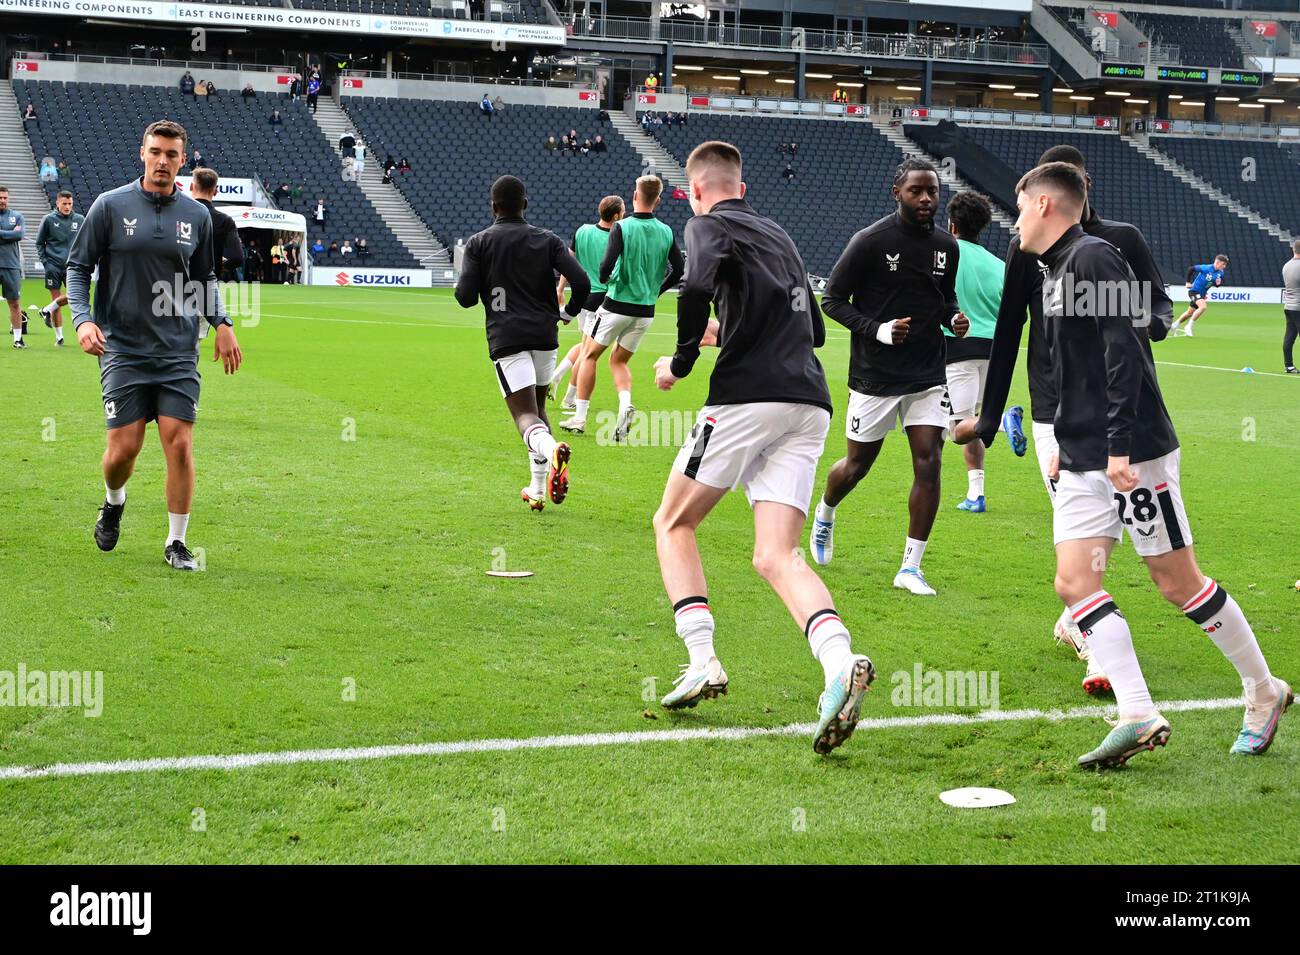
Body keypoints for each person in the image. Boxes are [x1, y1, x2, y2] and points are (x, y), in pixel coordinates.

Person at [967, 161, 1290, 767]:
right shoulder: (1053, 267)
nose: (1013, 222)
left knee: (1177, 582)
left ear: (1042, 206)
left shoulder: (1092, 258)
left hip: (1132, 453)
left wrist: (1118, 447)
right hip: (1082, 451)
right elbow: (1067, 364)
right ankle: (1139, 713)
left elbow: (1126, 353)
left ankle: (1264, 690)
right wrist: (1064, 433)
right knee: (1075, 581)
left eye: (1018, 207)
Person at [649, 140, 874, 753]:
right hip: (807, 402)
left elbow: (694, 287)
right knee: (776, 554)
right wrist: (727, 333)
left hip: (747, 398)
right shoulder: (780, 237)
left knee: (672, 521)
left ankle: (703, 659)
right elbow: (816, 328)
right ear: (743, 188)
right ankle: (838, 666)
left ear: (693, 191)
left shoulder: (702, 224)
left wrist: (683, 358)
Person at [963, 142, 1173, 697]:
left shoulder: (1115, 243)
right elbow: (1008, 329)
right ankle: (1095, 646)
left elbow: (1157, 305)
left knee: (1137, 547)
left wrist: (1148, 324)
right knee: (1077, 534)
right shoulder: (1027, 250)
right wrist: (987, 418)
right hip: (1054, 407)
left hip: (1114, 406)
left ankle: (1085, 612)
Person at [65, 119, 242, 571]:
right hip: (123, 348)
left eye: (172, 154)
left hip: (178, 350)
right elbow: (78, 268)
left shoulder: (197, 216)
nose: (163, 161)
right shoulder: (109, 206)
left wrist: (221, 322)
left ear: (184, 161)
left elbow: (204, 278)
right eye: (156, 152)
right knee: (123, 451)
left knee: (179, 443)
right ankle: (114, 500)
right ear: (142, 154)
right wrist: (83, 320)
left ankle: (176, 541)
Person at [810, 158, 968, 596]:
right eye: (916, 191)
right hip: (875, 376)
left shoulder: (946, 246)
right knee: (857, 466)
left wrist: (953, 316)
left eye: (932, 191)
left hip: (928, 373)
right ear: (896, 192)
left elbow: (944, 297)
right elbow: (833, 300)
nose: (926, 199)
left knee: (930, 462)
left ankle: (910, 567)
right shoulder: (869, 241)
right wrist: (877, 330)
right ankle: (825, 513)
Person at [453, 175, 590, 511]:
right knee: (540, 409)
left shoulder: (480, 242)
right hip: (545, 336)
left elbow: (466, 298)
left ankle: (552, 449)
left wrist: (482, 279)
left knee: (525, 417)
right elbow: (583, 282)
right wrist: (568, 314)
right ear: (525, 204)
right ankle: (538, 488)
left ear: (493, 207)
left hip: (507, 339)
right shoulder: (548, 239)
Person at [560, 175, 683, 440]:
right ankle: (625, 404)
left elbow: (606, 267)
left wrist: (605, 279)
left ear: (635, 196)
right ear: (658, 200)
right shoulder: (667, 231)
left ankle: (579, 417)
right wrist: (656, 291)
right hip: (645, 311)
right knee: (619, 360)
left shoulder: (622, 227)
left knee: (590, 355)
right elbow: (679, 270)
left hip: (616, 305)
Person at [943, 191, 1002, 514]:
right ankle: (975, 494)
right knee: (972, 422)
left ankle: (1004, 423)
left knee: (958, 430)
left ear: (951, 225)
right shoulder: (998, 265)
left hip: (957, 348)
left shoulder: (945, 255)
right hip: (993, 352)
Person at [550, 195, 624, 410]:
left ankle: (558, 378)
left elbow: (568, 261)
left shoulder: (582, 231)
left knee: (585, 346)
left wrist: (561, 288)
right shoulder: (618, 237)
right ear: (617, 214)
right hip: (605, 299)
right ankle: (569, 398)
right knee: (588, 353)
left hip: (583, 299)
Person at [28, 190, 85, 345]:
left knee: (74, 296)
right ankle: (59, 337)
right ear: (57, 203)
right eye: (64, 203)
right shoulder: (48, 219)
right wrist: (46, 263)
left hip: (73, 266)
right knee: (56, 301)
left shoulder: (80, 219)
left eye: (70, 204)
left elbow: (85, 241)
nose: (67, 206)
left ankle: (46, 309)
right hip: (53, 266)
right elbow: (39, 243)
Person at [188, 168, 243, 285]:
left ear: (191, 187)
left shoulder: (179, 214)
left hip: (178, 285)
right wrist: (218, 265)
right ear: (215, 191)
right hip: (208, 284)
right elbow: (237, 258)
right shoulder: (225, 221)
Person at [1170, 254, 1228, 337]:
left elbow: (1214, 283)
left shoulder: (1220, 273)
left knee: (1189, 313)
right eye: (1223, 264)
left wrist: (1218, 284)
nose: (1224, 266)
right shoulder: (1206, 268)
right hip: (1194, 291)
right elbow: (1191, 269)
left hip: (1202, 294)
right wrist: (1188, 282)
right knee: (1203, 307)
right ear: (1218, 262)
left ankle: (1174, 325)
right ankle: (1188, 327)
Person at [0, 187, 26, 348]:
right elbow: (13, 234)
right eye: (0, 198)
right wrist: (8, 233)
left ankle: (18, 339)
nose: (2, 200)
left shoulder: (17, 216)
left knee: (15, 303)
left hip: (11, 265)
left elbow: (19, 235)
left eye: (5, 198)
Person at [1283, 239, 1300, 374]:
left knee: (1289, 336)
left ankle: (1289, 365)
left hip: (1289, 306)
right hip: (1299, 307)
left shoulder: (1286, 265)